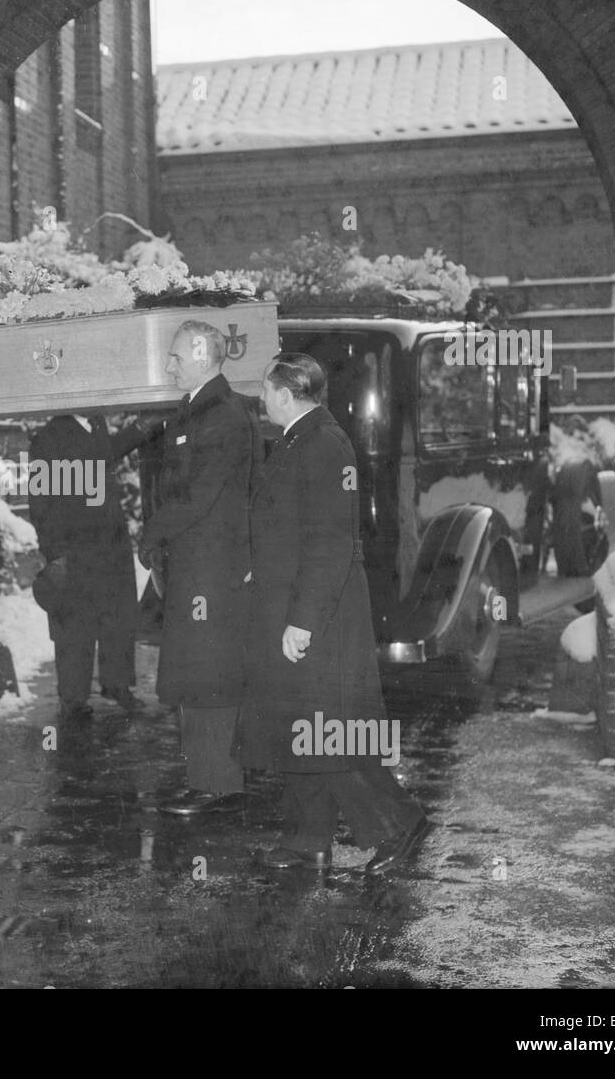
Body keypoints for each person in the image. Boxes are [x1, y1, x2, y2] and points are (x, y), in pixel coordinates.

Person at [238, 353, 430, 872]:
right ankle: (308, 839)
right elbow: (291, 526)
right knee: (299, 724)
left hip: (320, 616)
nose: (260, 398)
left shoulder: (322, 444)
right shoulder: (303, 438)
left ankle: (400, 825)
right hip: (296, 602)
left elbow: (329, 543)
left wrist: (301, 621)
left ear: (283, 393)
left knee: (329, 731)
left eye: (264, 389)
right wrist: (264, 569)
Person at [139, 321, 263, 817]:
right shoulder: (197, 412)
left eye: (175, 357)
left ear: (201, 356)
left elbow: (197, 496)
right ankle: (203, 778)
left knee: (212, 675)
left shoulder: (222, 417)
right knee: (197, 675)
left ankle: (219, 784)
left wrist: (151, 533)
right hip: (195, 564)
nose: (168, 365)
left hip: (213, 568)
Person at [28, 414, 146, 716]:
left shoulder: (96, 424)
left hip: (110, 544)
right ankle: (73, 698)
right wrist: (55, 554)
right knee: (74, 628)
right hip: (74, 548)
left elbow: (100, 457)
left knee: (117, 618)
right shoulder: (50, 436)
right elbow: (40, 500)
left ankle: (117, 684)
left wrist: (138, 429)